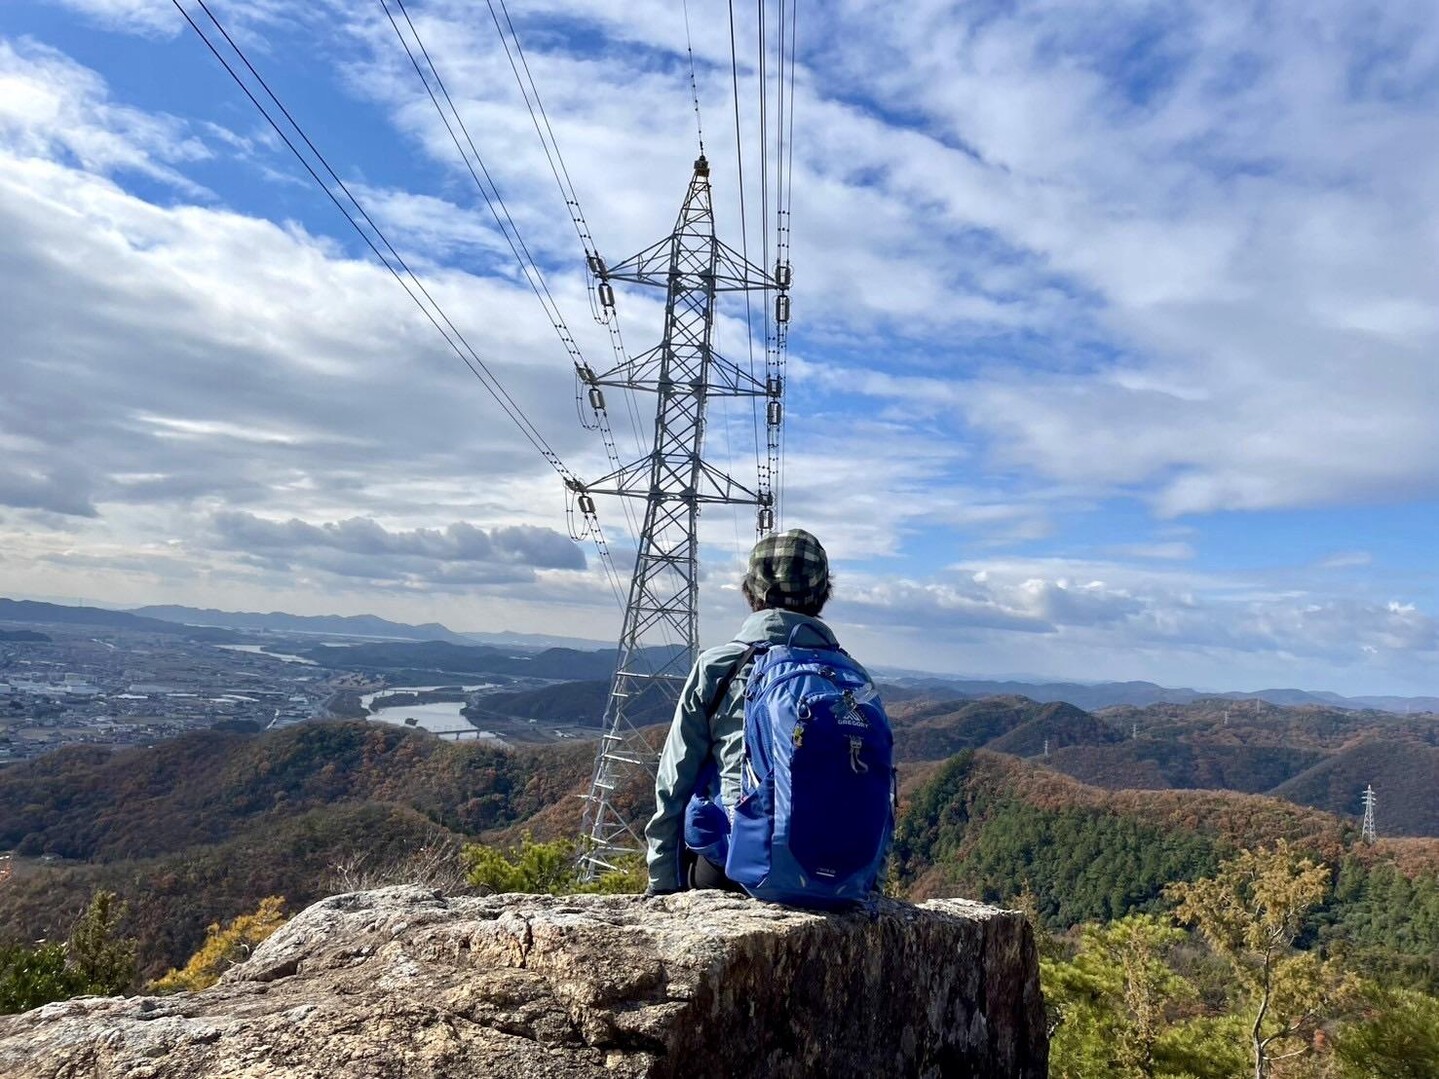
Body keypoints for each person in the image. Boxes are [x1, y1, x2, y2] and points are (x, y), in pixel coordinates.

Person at [645, 527, 862, 896]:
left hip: (734, 869)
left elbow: (675, 782)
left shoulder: (721, 665)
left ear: (751, 591)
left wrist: (663, 884)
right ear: (823, 595)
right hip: (841, 876)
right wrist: (867, 885)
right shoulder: (854, 677)